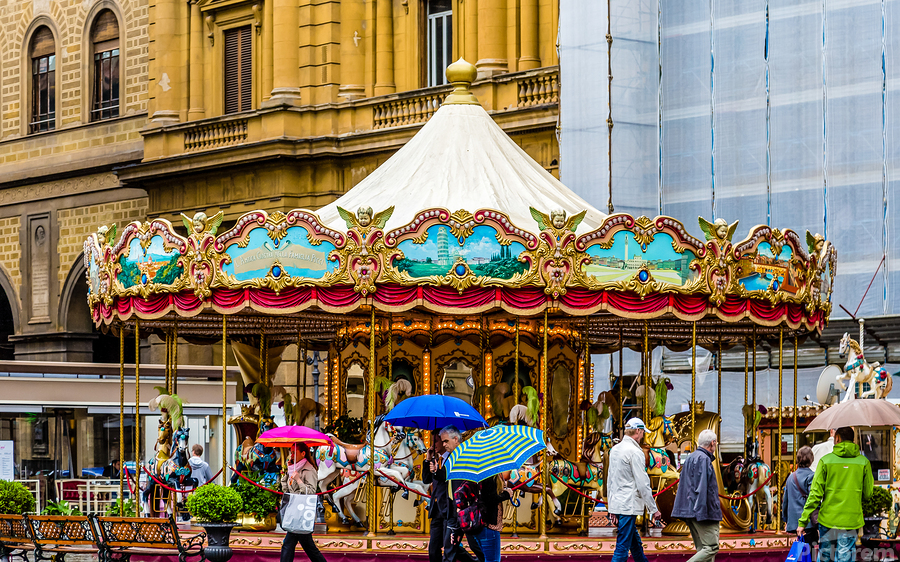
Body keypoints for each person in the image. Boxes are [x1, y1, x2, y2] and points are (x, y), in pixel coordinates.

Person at [797, 427, 874, 562]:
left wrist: (803, 520)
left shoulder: (825, 461)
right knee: (845, 557)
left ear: (837, 438)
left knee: (825, 557)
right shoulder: (863, 462)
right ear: (853, 440)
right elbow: (868, 494)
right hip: (850, 520)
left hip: (827, 520)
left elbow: (815, 494)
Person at [422, 426, 483, 562]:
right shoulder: (437, 459)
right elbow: (427, 479)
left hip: (454, 508)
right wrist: (428, 461)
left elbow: (449, 478)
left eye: (443, 441)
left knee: (453, 548)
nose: (441, 444)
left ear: (455, 439)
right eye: (440, 441)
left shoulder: (458, 457)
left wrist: (438, 472)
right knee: (438, 548)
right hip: (439, 509)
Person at [607, 418, 661, 562]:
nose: (643, 435)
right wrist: (653, 509)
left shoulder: (615, 449)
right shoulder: (635, 452)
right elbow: (643, 484)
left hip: (618, 504)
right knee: (622, 548)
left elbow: (610, 480)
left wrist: (611, 507)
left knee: (635, 546)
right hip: (628, 505)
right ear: (638, 431)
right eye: (643, 432)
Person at [672, 429, 721, 562]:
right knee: (711, 547)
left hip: (690, 510)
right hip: (702, 512)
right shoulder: (704, 459)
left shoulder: (690, 458)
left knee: (703, 551)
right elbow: (702, 488)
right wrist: (702, 513)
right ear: (713, 443)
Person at [280, 443, 327, 562]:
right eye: (291, 452)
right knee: (294, 545)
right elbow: (287, 491)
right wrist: (286, 476)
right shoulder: (294, 469)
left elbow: (310, 492)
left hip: (303, 513)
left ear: (303, 453)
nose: (292, 455)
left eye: (294, 452)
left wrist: (298, 480)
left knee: (296, 545)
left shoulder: (309, 469)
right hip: (295, 512)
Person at [783, 446, 816, 543]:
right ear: (811, 460)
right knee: (809, 555)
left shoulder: (790, 477)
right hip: (807, 524)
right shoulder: (812, 476)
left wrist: (786, 520)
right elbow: (813, 499)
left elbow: (785, 501)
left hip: (792, 523)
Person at [474, 474, 510, 562]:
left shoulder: (482, 478)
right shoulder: (490, 478)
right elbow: (489, 499)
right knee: (493, 560)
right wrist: (506, 494)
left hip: (483, 526)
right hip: (489, 526)